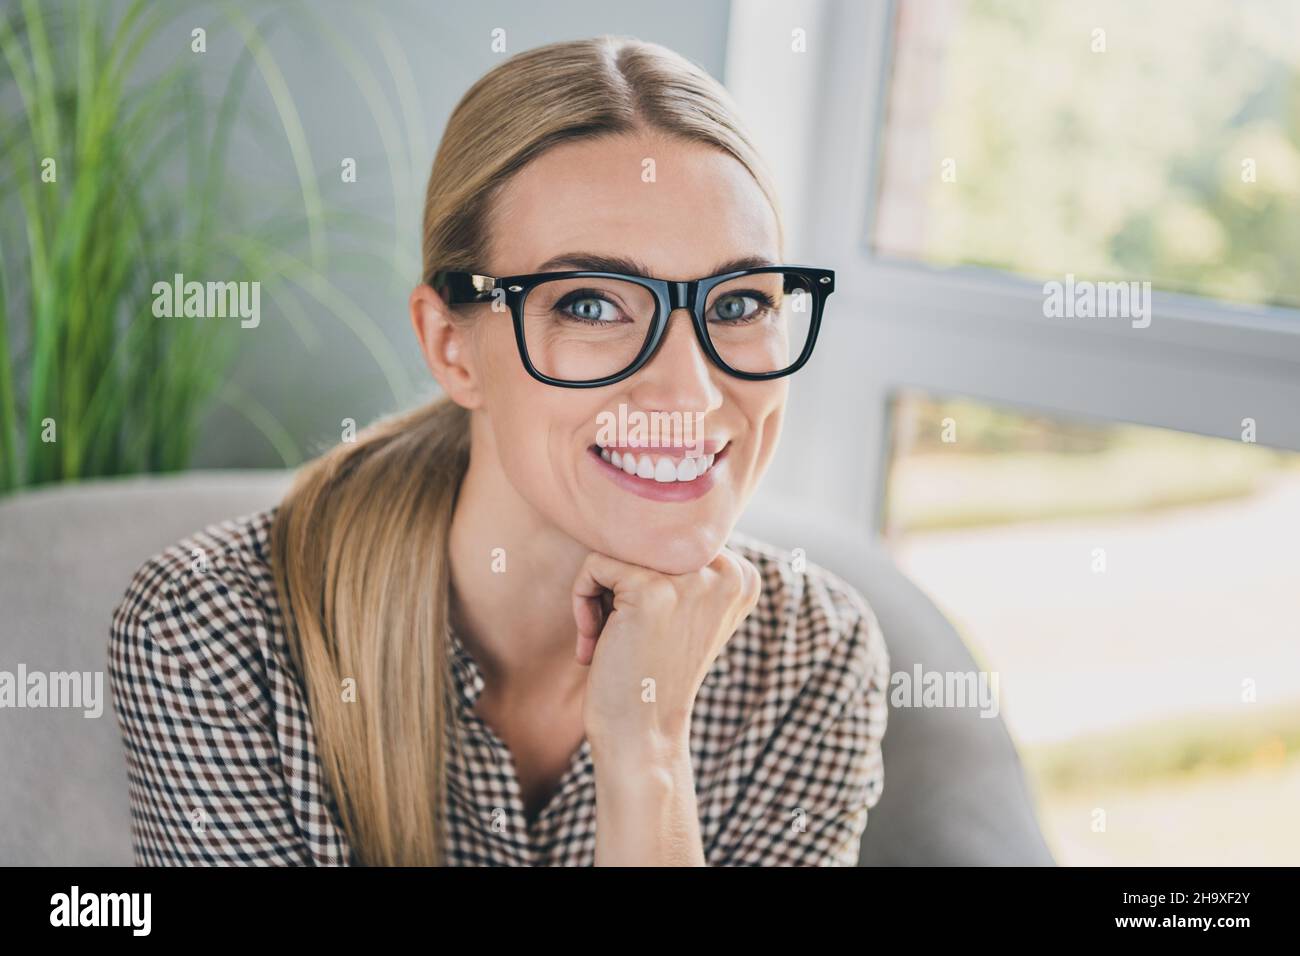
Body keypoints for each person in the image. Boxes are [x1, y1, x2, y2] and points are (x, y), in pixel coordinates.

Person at [108, 34, 889, 866]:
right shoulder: (211, 638)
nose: (692, 394)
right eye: (591, 305)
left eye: (739, 303)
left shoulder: (812, 654)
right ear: (452, 348)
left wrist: (647, 756)